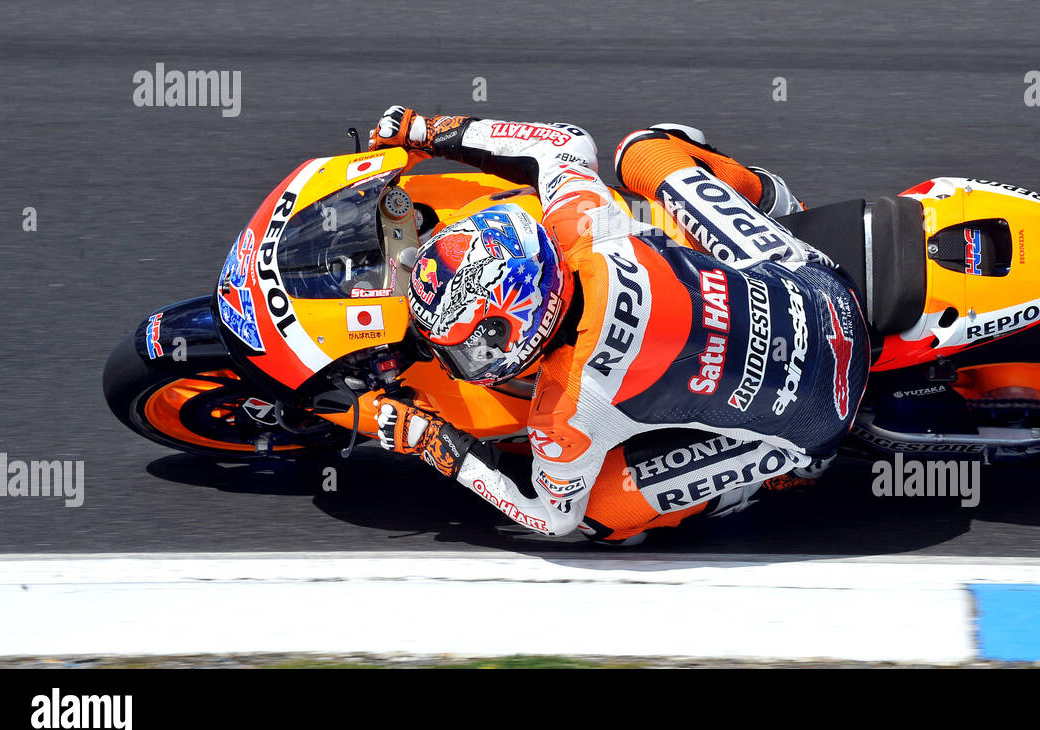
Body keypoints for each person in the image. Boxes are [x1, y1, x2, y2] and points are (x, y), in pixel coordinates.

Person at [366, 107, 870, 538]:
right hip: (822, 286)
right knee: (643, 151)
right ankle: (771, 200)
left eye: (469, 347)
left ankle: (770, 474)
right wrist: (430, 131)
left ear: (516, 326)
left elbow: (552, 519)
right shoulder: (584, 223)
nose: (460, 360)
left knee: (598, 521)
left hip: (818, 418)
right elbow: (564, 143)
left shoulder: (565, 409)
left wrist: (443, 452)